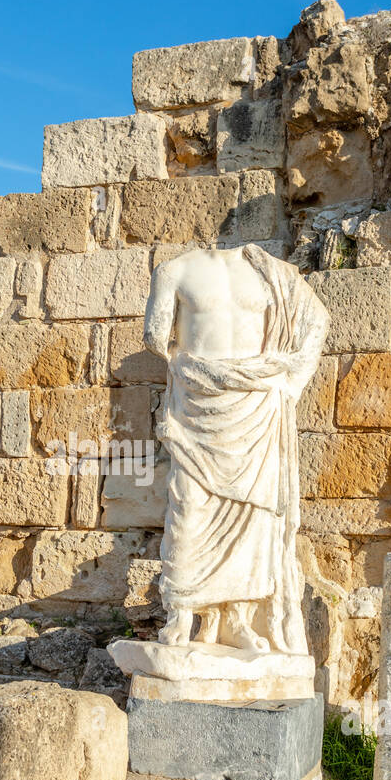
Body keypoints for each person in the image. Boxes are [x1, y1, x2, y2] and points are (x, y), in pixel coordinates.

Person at [144, 243, 329, 657]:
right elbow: (156, 338)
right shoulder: (172, 270)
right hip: (199, 408)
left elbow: (317, 320)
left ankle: (237, 619)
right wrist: (196, 372)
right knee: (189, 506)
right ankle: (182, 614)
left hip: (256, 405)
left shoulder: (277, 274)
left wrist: (290, 383)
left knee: (254, 516)